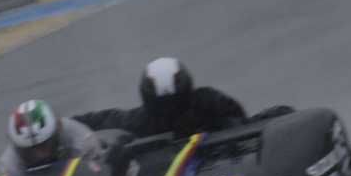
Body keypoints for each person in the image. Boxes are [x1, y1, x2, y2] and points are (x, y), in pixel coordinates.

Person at [77, 57, 253, 140]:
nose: (171, 112)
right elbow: (103, 120)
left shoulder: (210, 102)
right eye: (164, 107)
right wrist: (62, 126)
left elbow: (242, 124)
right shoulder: (140, 120)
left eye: (175, 105)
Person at [0, 98, 112, 176]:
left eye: (44, 146)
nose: (38, 155)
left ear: (56, 135)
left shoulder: (83, 142)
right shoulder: (9, 164)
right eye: (29, 151)